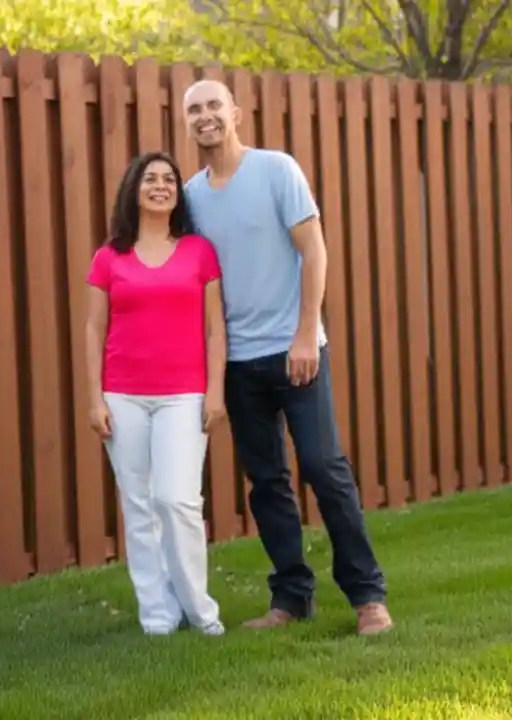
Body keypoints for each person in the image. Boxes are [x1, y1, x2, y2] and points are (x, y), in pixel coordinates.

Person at [180, 79, 394, 636]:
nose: (205, 116)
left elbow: (314, 249)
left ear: (237, 114)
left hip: (295, 351)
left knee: (325, 468)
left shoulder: (277, 170)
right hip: (237, 365)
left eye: (212, 106)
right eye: (193, 109)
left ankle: (368, 596)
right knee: (267, 482)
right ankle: (292, 596)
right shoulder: (191, 195)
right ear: (185, 123)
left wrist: (305, 335)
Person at [85, 151, 227, 637]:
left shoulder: (198, 252)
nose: (161, 186)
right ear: (135, 189)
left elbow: (214, 329)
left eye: (169, 179)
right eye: (151, 179)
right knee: (139, 507)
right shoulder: (109, 257)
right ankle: (158, 616)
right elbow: (93, 329)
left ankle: (200, 611)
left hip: (184, 395)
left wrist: (215, 392)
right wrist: (94, 398)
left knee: (177, 500)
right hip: (123, 395)